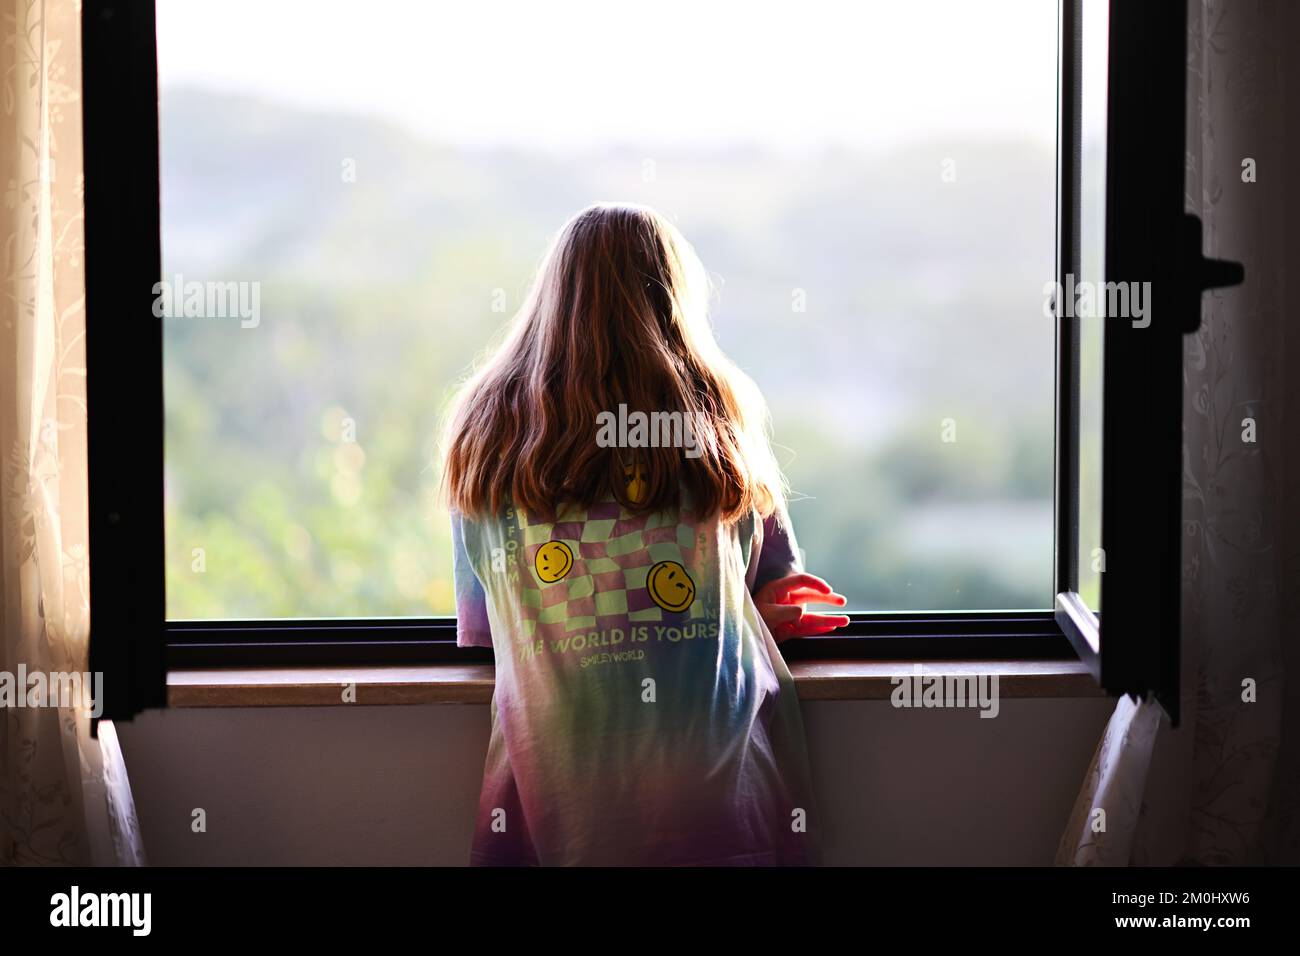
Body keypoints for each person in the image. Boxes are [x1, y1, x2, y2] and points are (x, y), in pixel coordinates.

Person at [442, 203, 848, 865]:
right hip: (717, 794)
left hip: (558, 802)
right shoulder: (717, 421)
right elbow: (775, 588)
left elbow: (485, 633)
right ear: (676, 302)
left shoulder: (484, 437)